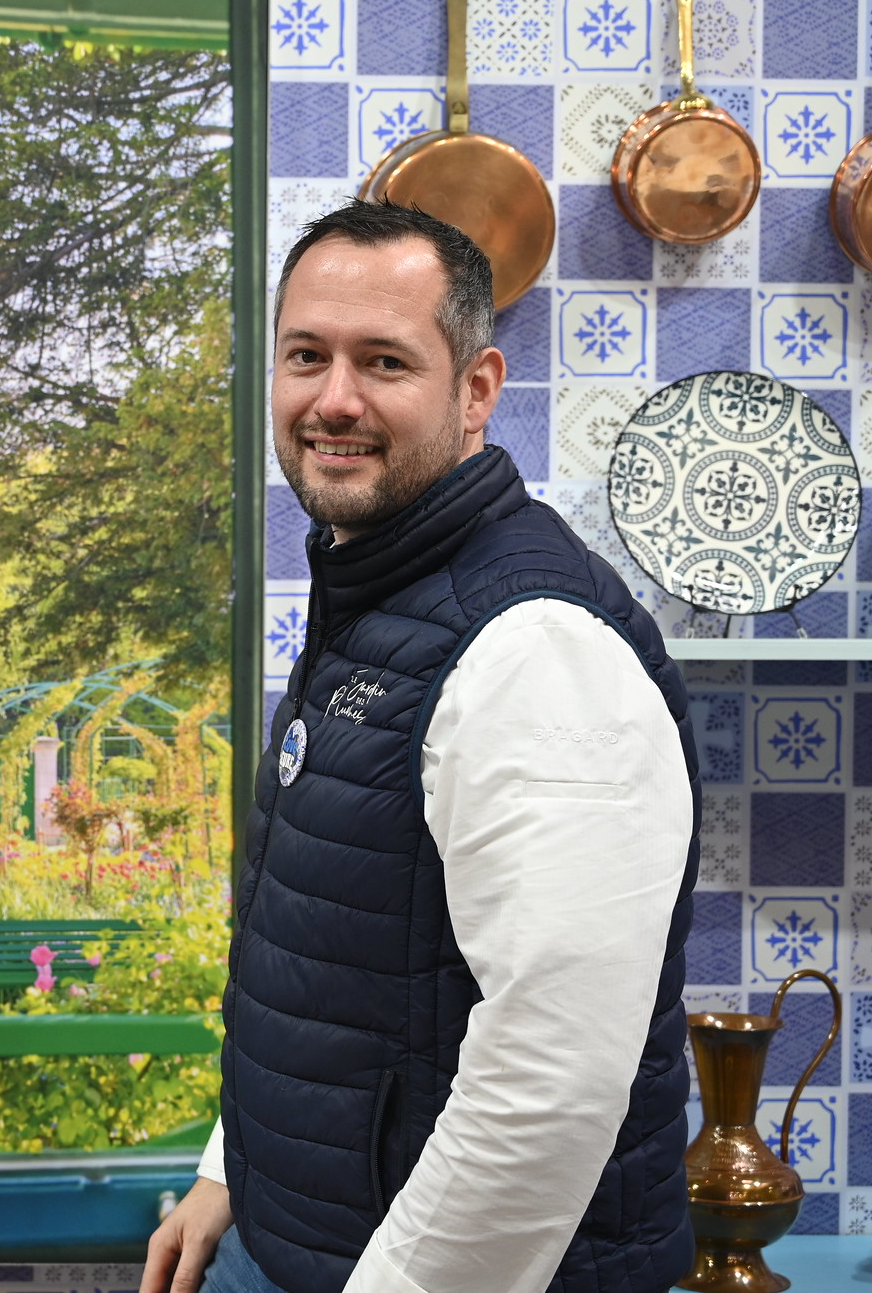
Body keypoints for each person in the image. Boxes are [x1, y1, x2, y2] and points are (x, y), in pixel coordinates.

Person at [141, 201, 698, 1293]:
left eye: (382, 360)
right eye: (305, 355)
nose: (331, 398)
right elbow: (333, 968)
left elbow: (548, 1078)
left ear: (475, 390)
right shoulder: (380, 595)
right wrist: (231, 1169)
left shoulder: (533, 642)